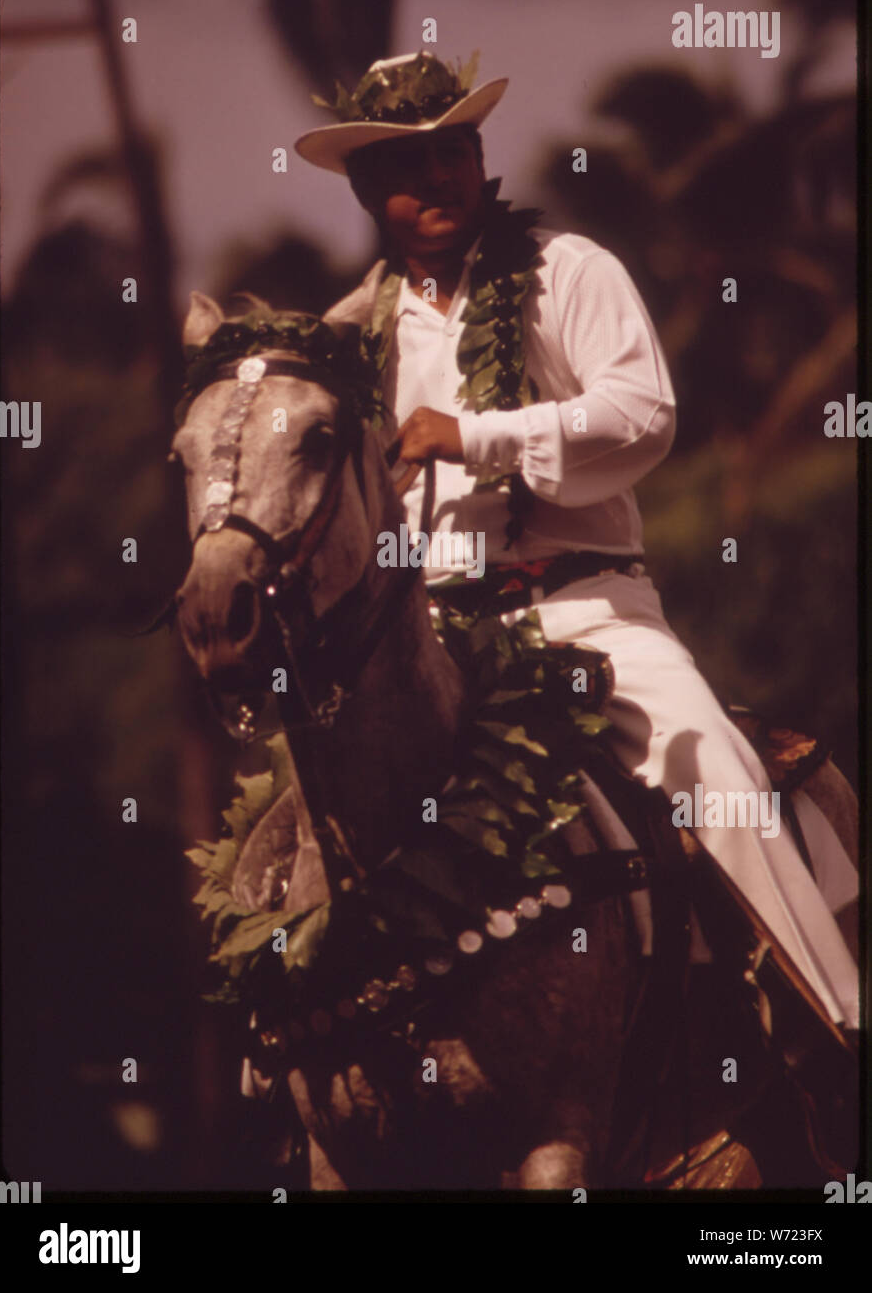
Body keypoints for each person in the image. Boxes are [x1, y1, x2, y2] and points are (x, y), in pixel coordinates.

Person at [295, 51, 859, 1031]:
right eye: (402, 166)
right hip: (424, 640)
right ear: (365, 189)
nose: (432, 179)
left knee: (715, 773)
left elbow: (644, 416)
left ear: (477, 157)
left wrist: (475, 434)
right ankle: (294, 1067)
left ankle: (832, 1028)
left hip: (586, 614)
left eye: (450, 152)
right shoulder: (349, 334)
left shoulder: (566, 268)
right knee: (293, 831)